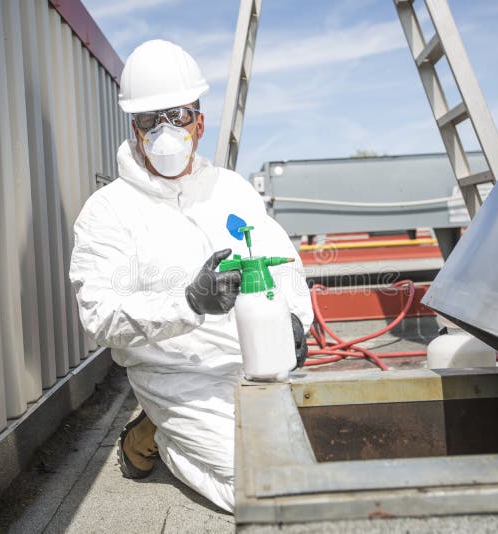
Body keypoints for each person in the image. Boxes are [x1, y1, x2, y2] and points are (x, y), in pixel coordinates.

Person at [69, 39, 313, 512]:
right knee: (262, 490)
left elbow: (283, 262)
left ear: (199, 122)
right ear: (134, 127)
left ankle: (161, 430)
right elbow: (98, 316)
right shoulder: (108, 212)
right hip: (176, 374)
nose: (164, 131)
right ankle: (164, 438)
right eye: (149, 119)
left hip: (254, 360)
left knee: (312, 457)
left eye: (177, 115)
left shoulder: (232, 190)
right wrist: (189, 303)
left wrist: (295, 319)